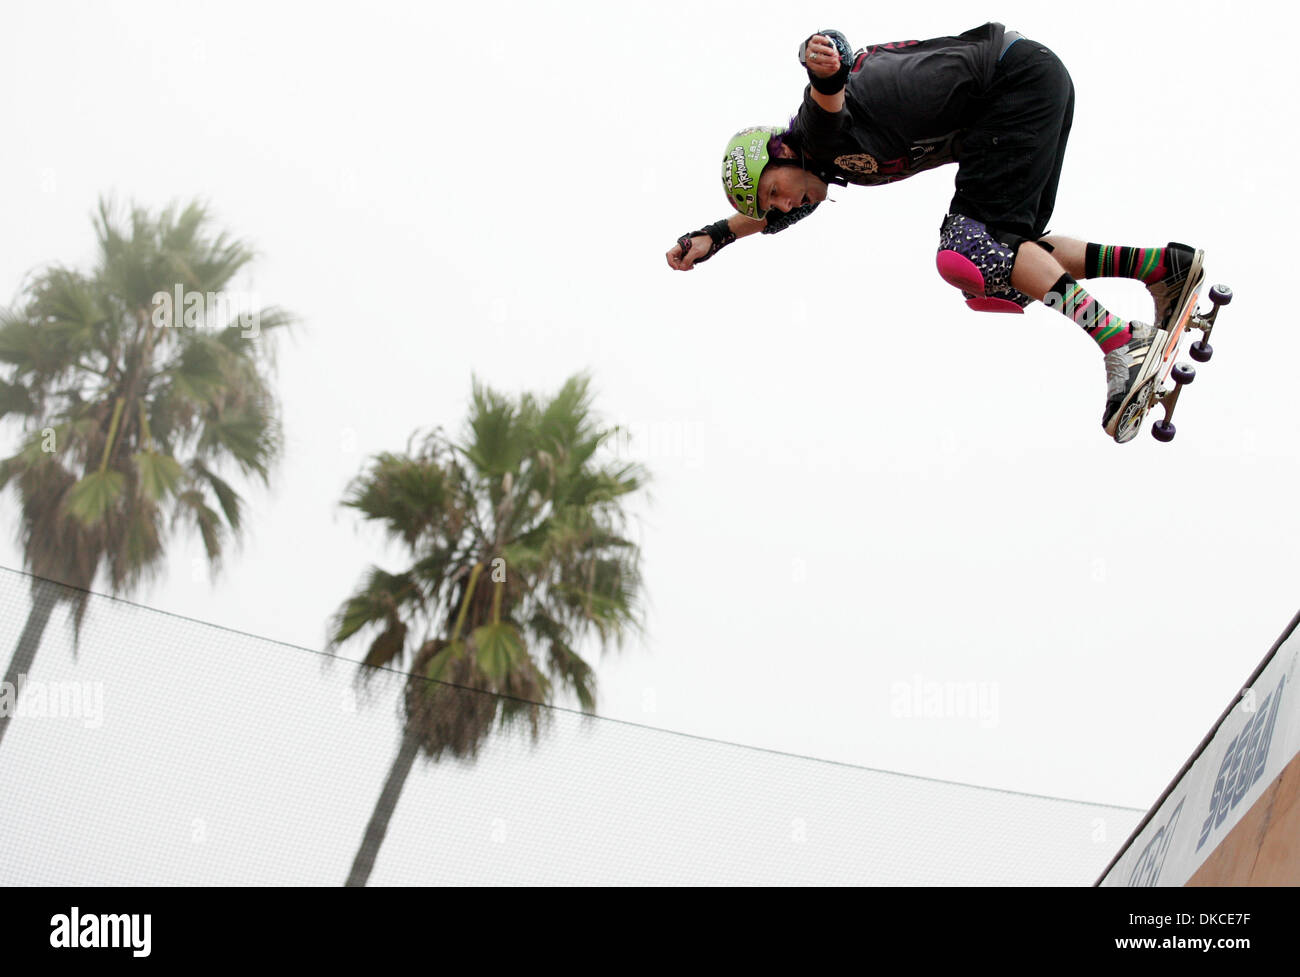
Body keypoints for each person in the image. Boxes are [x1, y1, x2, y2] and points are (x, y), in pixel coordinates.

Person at [665, 23, 1204, 443]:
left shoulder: (816, 135)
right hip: (1030, 78)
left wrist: (820, 58)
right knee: (1006, 259)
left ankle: (1120, 339)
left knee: (966, 254)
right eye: (773, 209)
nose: (783, 208)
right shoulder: (820, 164)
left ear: (780, 153)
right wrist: (716, 236)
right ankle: (1164, 268)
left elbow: (828, 96)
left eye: (775, 192)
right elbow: (773, 202)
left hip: (1014, 85)